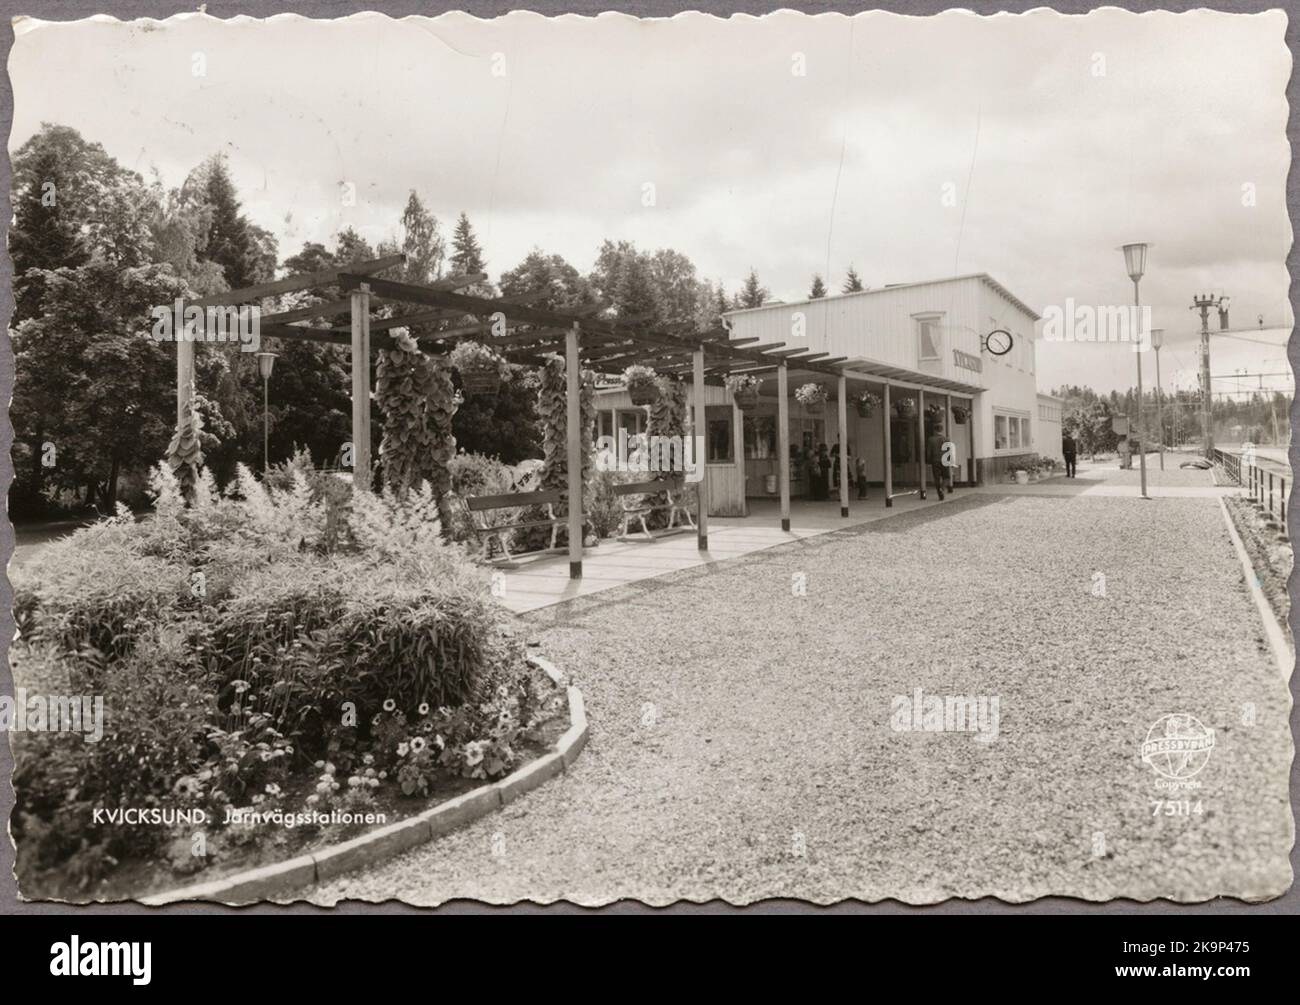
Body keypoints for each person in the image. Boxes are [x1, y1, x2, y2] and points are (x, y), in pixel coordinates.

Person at [925, 423, 948, 500]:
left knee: (936, 478)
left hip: (935, 461)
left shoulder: (931, 439)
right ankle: (942, 488)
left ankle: (939, 493)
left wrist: (928, 460)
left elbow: (928, 452)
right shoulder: (946, 439)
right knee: (946, 476)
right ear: (942, 430)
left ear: (935, 430)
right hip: (944, 460)